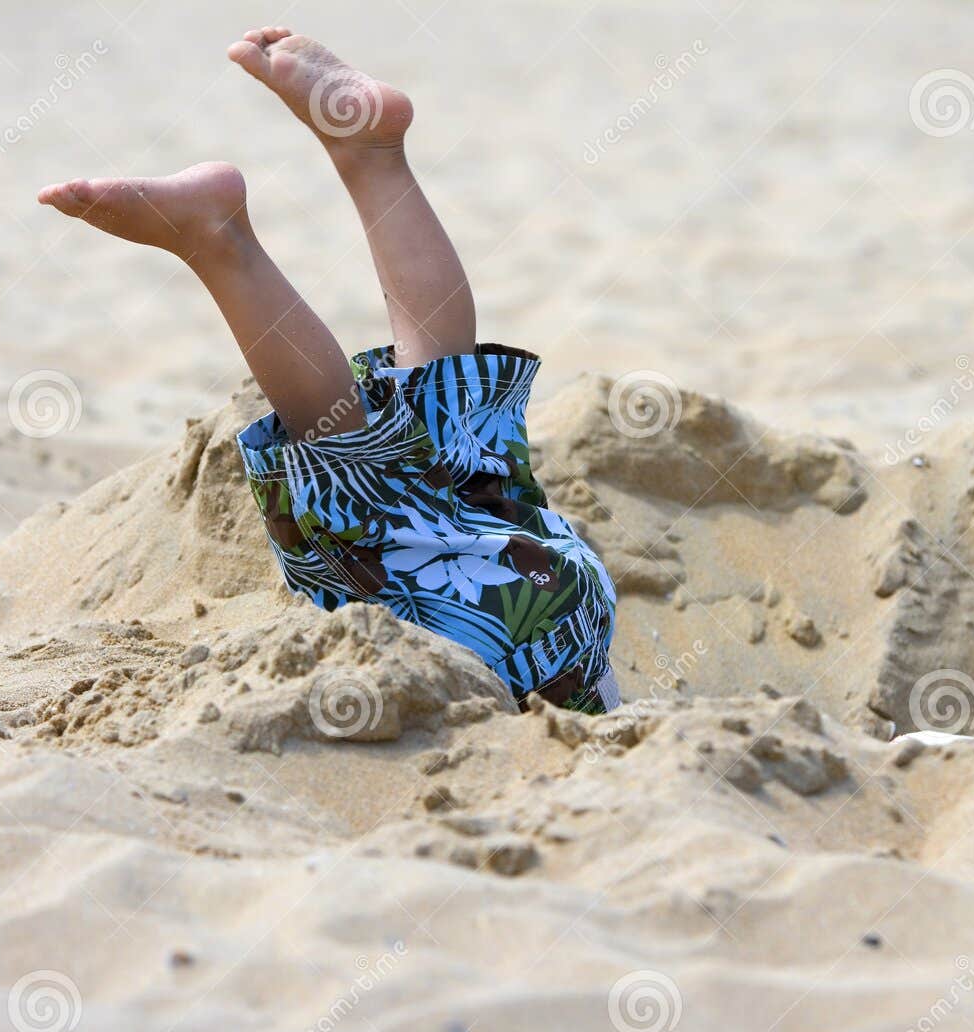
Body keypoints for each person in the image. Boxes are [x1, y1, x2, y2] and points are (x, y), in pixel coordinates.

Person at [38, 28, 618, 713]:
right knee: (371, 498)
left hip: (545, 585)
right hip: (514, 631)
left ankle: (369, 162)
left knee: (449, 420)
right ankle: (230, 235)